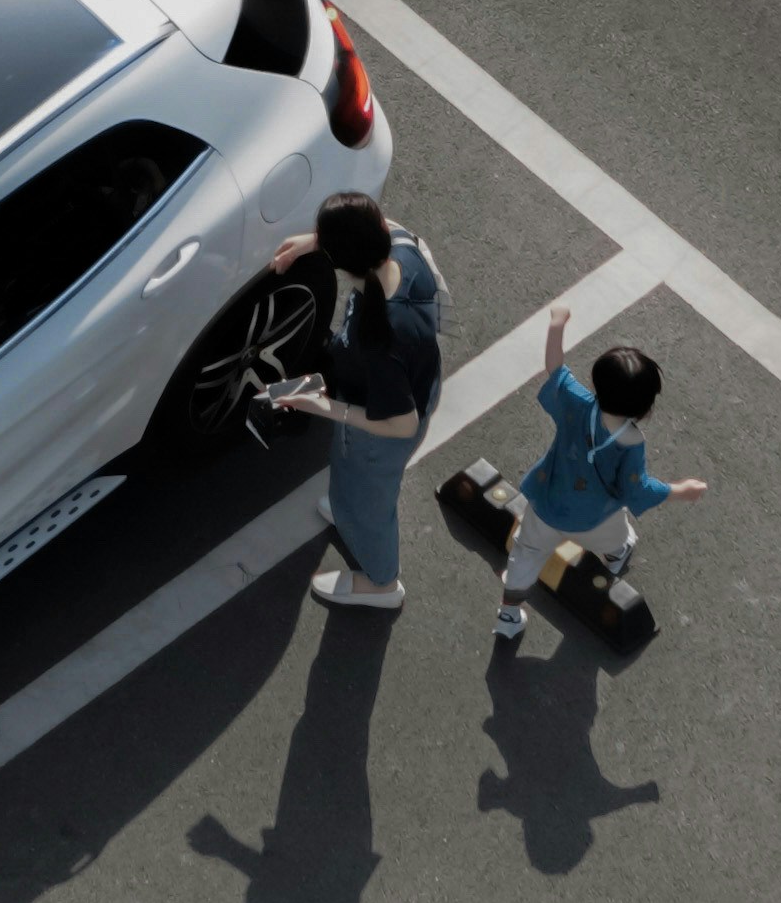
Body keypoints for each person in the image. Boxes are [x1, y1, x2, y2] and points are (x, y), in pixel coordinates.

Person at [261, 189, 445, 613]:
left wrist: (322, 407)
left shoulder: (378, 339)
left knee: (371, 504)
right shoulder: (404, 252)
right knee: (351, 484)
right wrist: (316, 242)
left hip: (380, 430)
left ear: (342, 262)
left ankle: (382, 583)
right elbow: (390, 227)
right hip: (416, 384)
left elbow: (402, 424)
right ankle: (348, 511)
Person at [492, 309, 706, 647]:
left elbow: (554, 368)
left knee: (526, 553)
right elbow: (638, 489)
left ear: (597, 384)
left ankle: (508, 615)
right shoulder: (631, 442)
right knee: (617, 538)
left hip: (546, 504)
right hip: (595, 518)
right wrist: (682, 490)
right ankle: (614, 555)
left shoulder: (578, 402)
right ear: (644, 409)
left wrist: (556, 326)